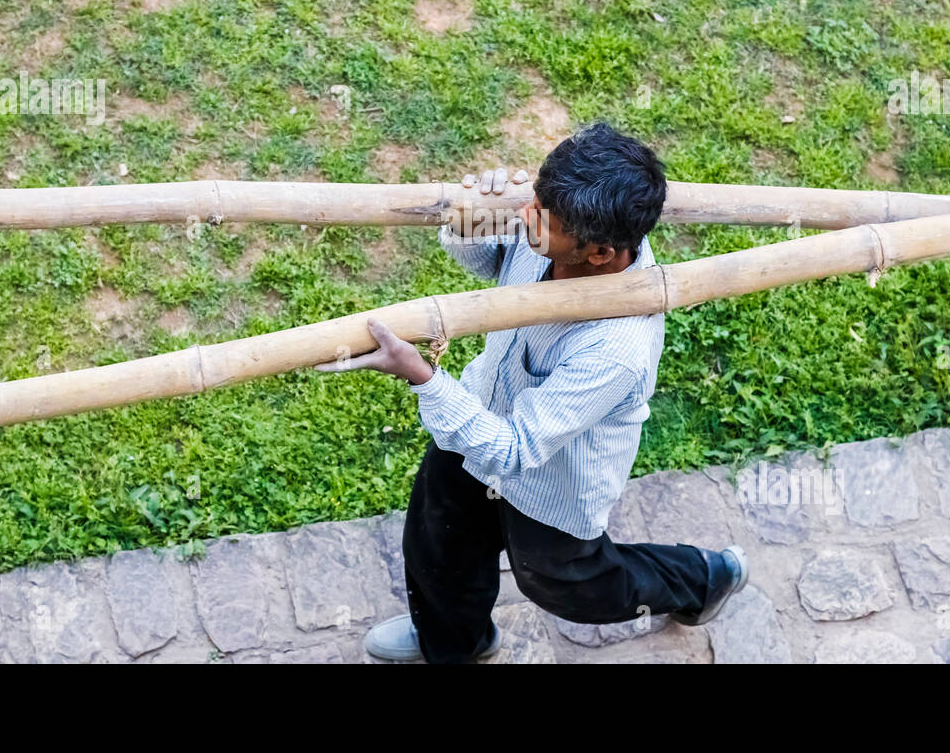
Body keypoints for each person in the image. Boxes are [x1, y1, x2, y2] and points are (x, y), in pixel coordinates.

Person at [315, 122, 747, 663]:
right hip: (476, 414)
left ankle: (704, 578)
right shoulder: (557, 225)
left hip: (552, 482)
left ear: (600, 253)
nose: (525, 217)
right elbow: (494, 263)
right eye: (535, 201)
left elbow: (516, 451)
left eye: (540, 216)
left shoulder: (617, 349)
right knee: (439, 543)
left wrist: (422, 377)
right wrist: (472, 216)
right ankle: (454, 643)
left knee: (568, 586)